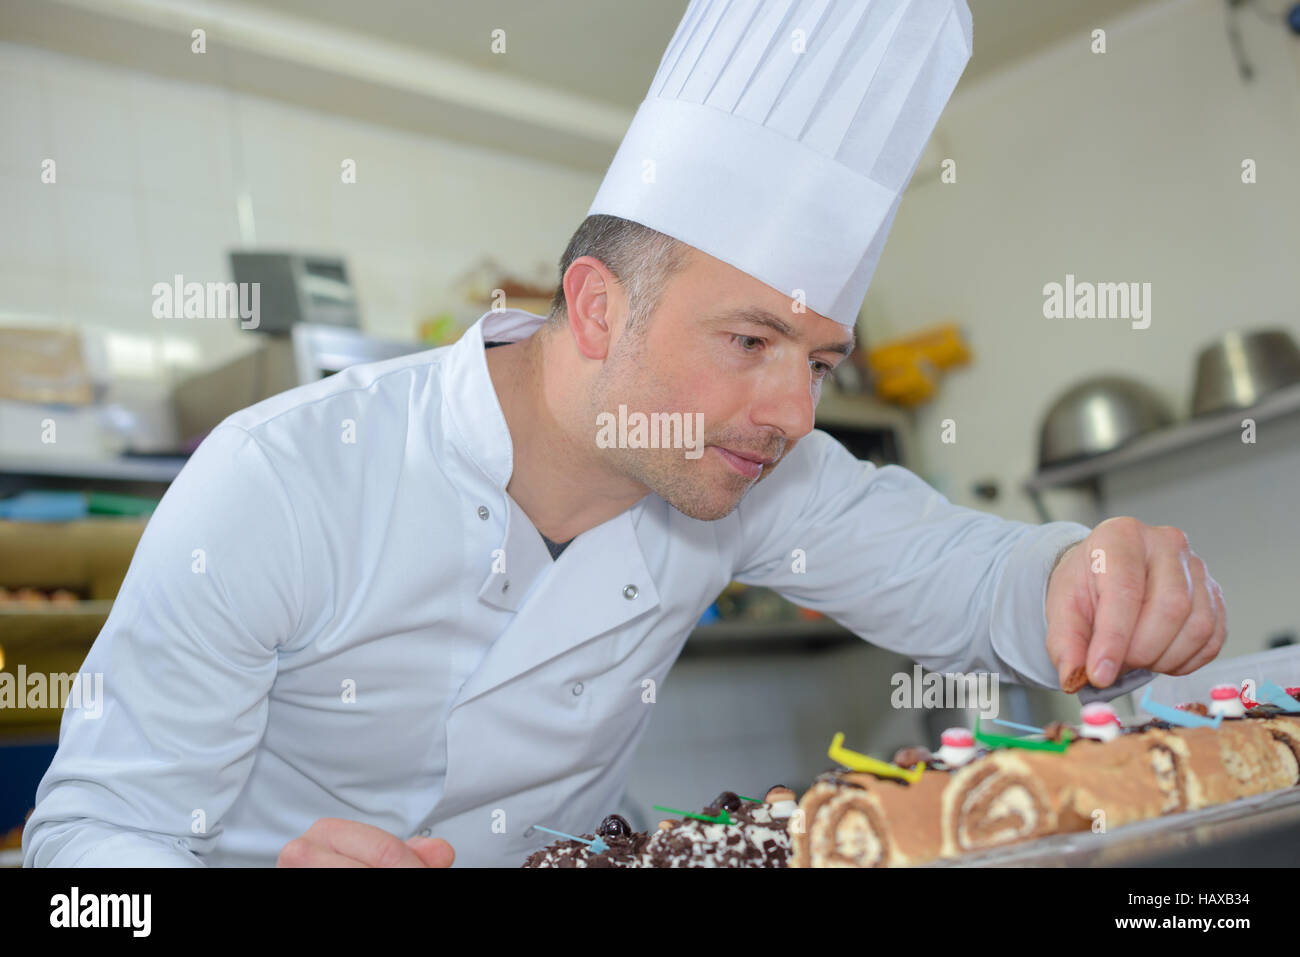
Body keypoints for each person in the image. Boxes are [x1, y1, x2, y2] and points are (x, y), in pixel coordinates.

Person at [24, 0, 1224, 868]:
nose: (792, 414)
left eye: (815, 363)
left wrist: (1086, 574)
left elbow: (973, 581)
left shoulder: (755, 471)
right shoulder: (278, 482)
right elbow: (87, 865)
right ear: (596, 307)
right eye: (748, 342)